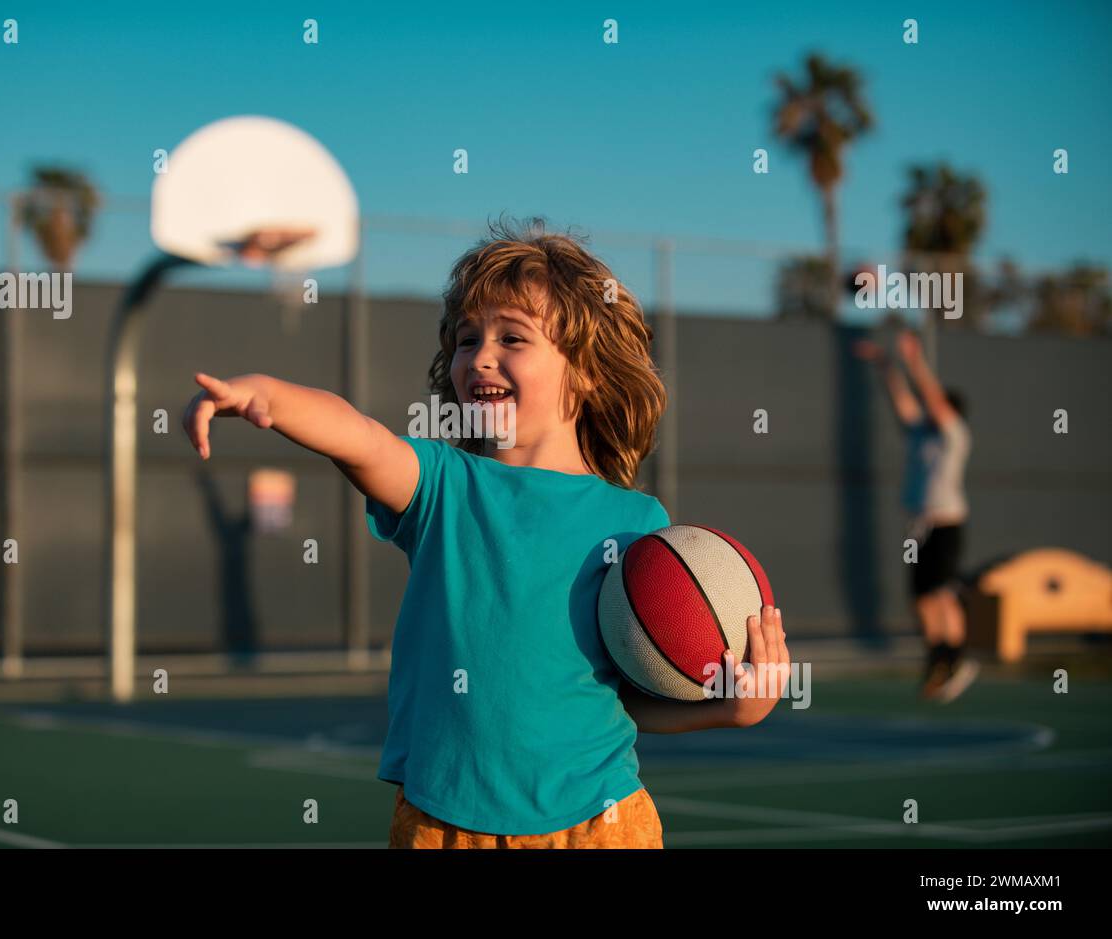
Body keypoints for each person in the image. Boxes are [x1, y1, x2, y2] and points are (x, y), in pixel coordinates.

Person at [182, 217, 790, 848]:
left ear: (586, 372)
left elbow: (626, 697)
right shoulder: (442, 486)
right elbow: (358, 435)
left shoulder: (638, 527)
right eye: (467, 340)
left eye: (512, 338)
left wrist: (729, 707)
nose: (481, 357)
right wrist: (266, 396)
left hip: (596, 824)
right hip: (443, 823)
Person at [854, 330, 978, 702]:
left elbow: (933, 402)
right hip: (918, 527)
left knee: (941, 593)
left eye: (937, 407)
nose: (928, 410)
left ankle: (955, 658)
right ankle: (938, 656)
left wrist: (915, 361)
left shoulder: (954, 434)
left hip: (946, 524)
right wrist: (886, 365)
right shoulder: (921, 434)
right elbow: (904, 403)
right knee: (920, 599)